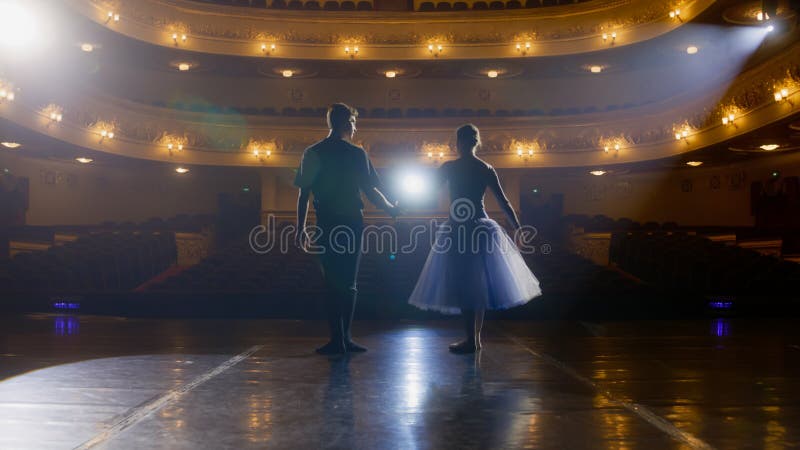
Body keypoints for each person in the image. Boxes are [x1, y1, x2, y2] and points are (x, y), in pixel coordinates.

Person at [408, 124, 542, 354]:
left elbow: (428, 192)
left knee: (465, 284)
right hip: (482, 227)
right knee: (477, 285)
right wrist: (517, 227)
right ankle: (475, 338)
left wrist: (406, 207)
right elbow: (503, 201)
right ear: (476, 142)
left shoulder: (450, 167)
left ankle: (471, 339)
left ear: (458, 143)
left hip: (459, 229)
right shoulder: (485, 168)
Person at [294, 103, 399, 355]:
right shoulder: (356, 153)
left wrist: (300, 227)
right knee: (349, 283)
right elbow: (371, 190)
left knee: (332, 282)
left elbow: (303, 194)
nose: (355, 127)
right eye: (353, 122)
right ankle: (346, 338)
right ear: (345, 123)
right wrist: (391, 209)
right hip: (351, 222)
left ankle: (337, 339)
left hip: (327, 222)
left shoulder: (313, 152)